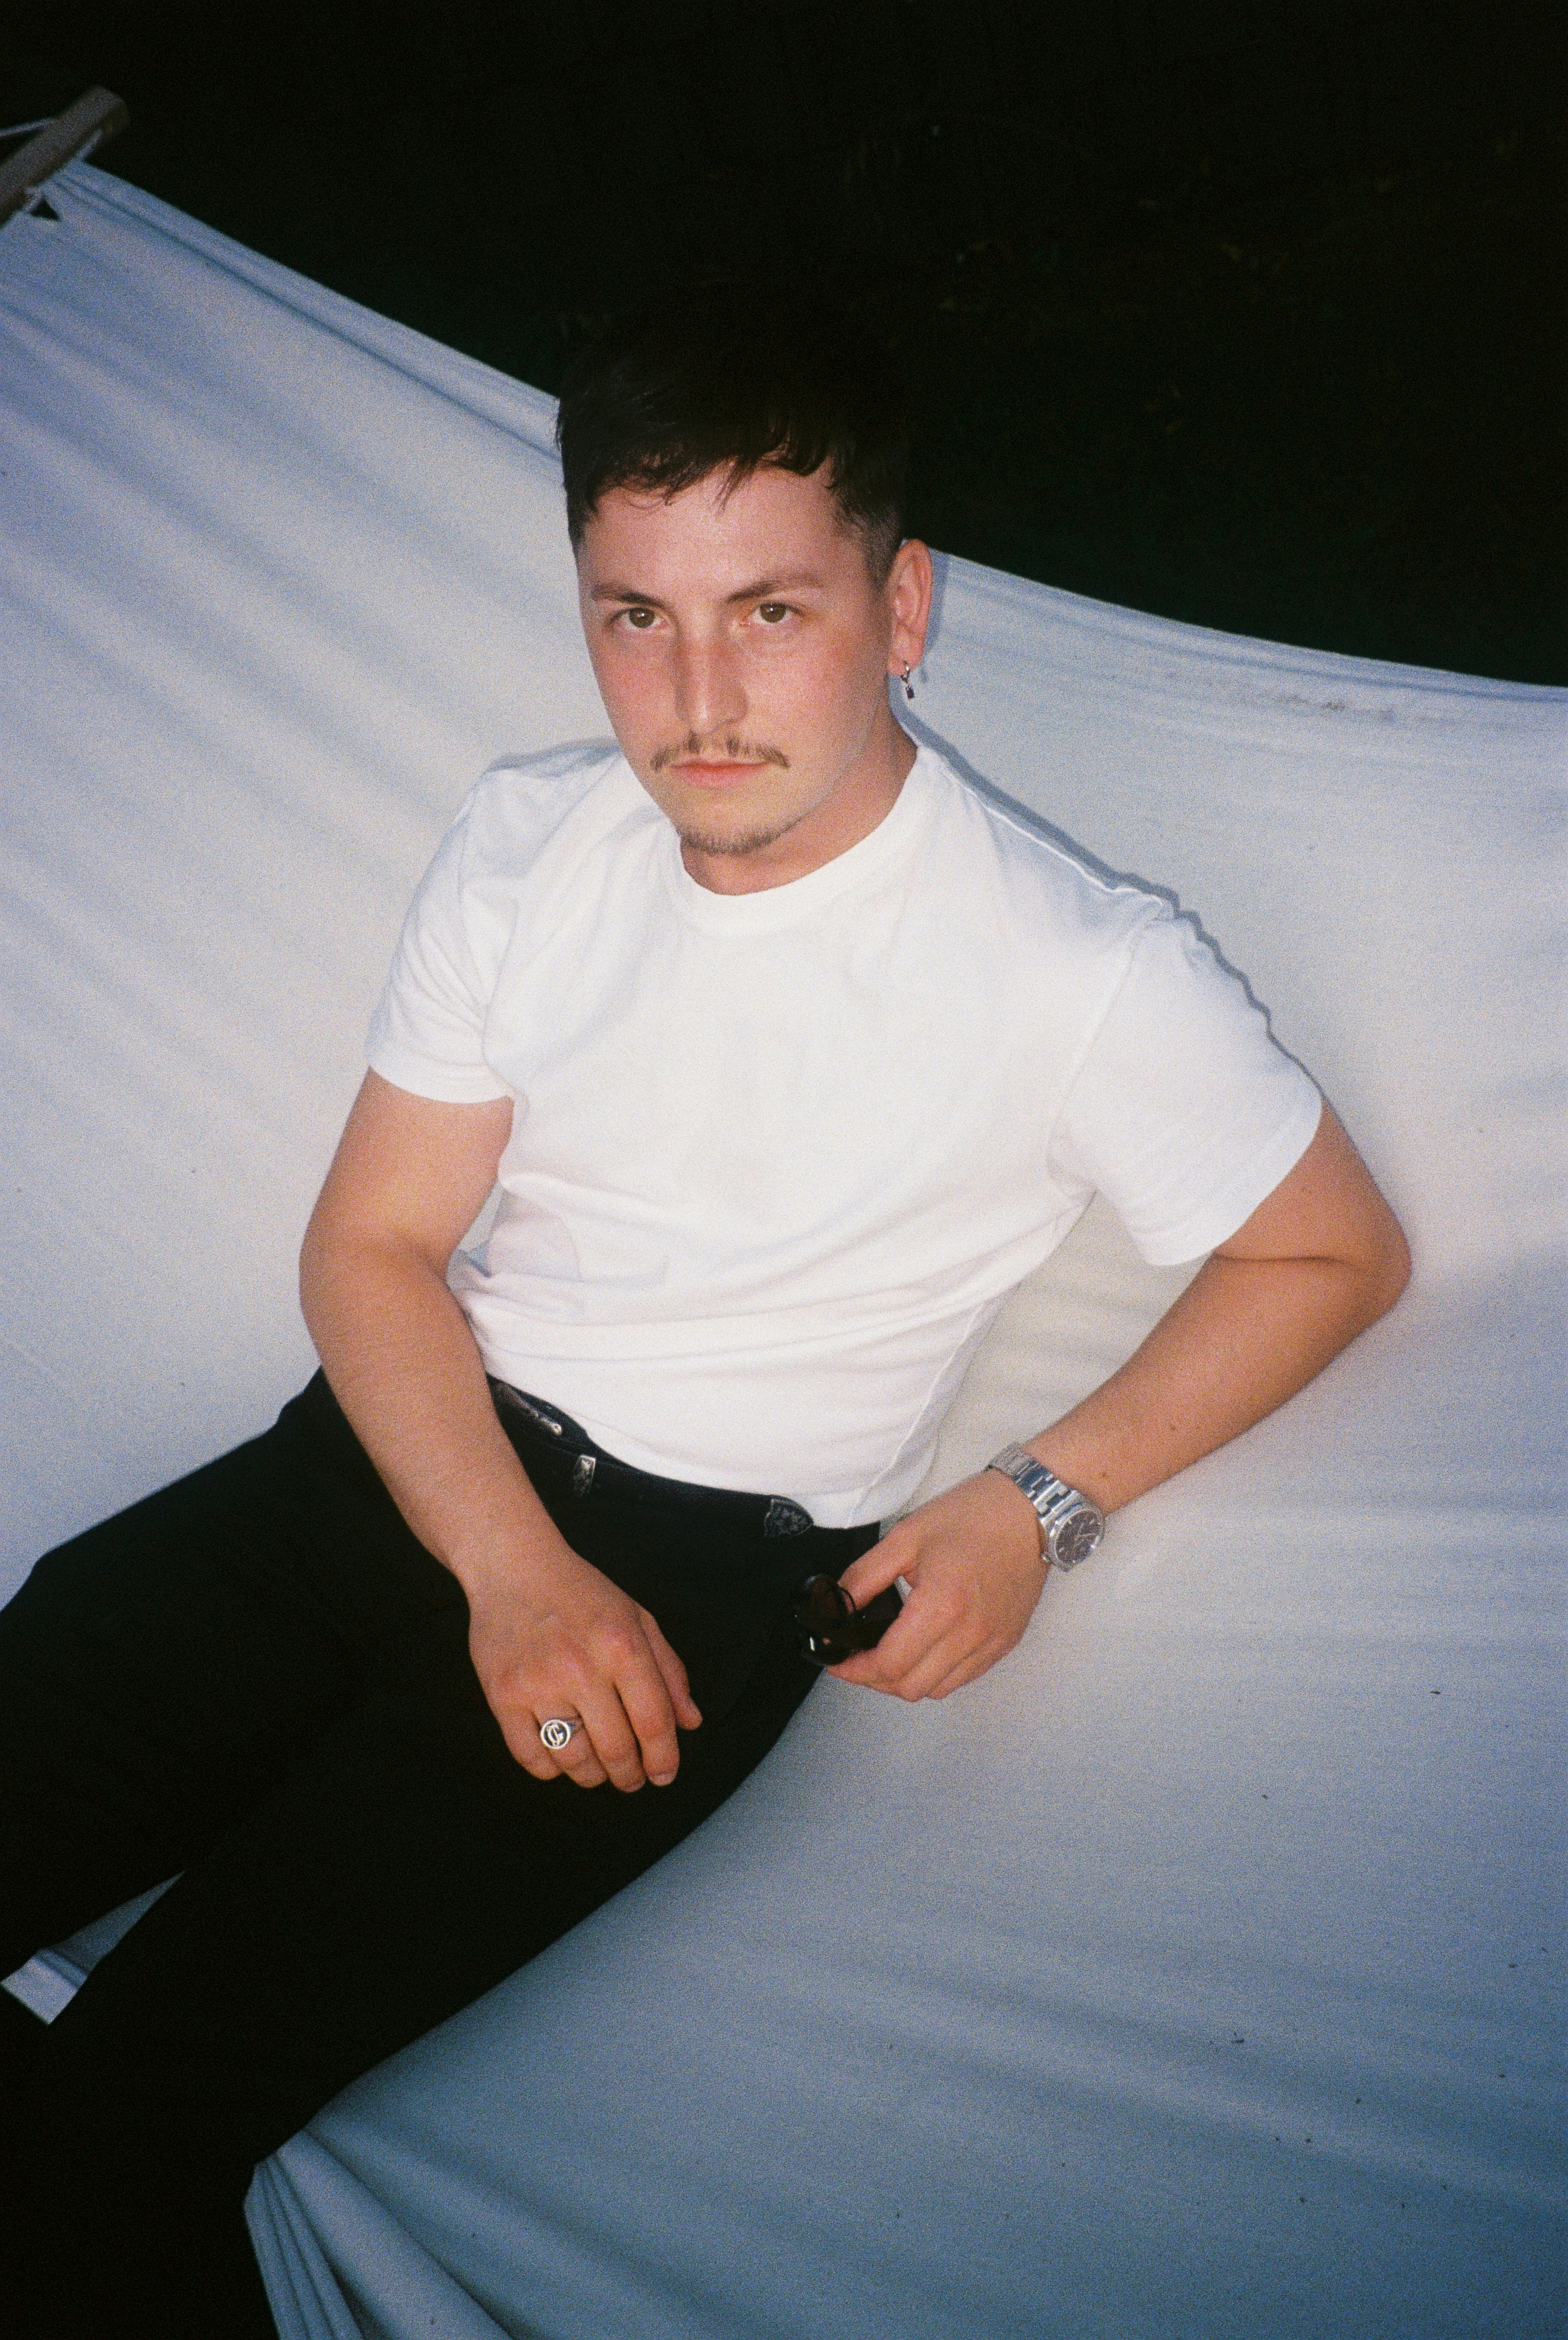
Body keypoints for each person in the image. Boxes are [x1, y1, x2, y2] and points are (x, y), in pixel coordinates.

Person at [0, 282, 1410, 2338]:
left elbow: (1332, 1250)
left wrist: (1039, 1498)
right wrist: (501, 1562)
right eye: (633, 614)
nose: (695, 698)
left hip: (690, 1589)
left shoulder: (1077, 965)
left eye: (770, 609)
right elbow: (370, 1249)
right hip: (398, 1460)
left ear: (903, 604)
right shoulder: (531, 839)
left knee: (119, 2119)